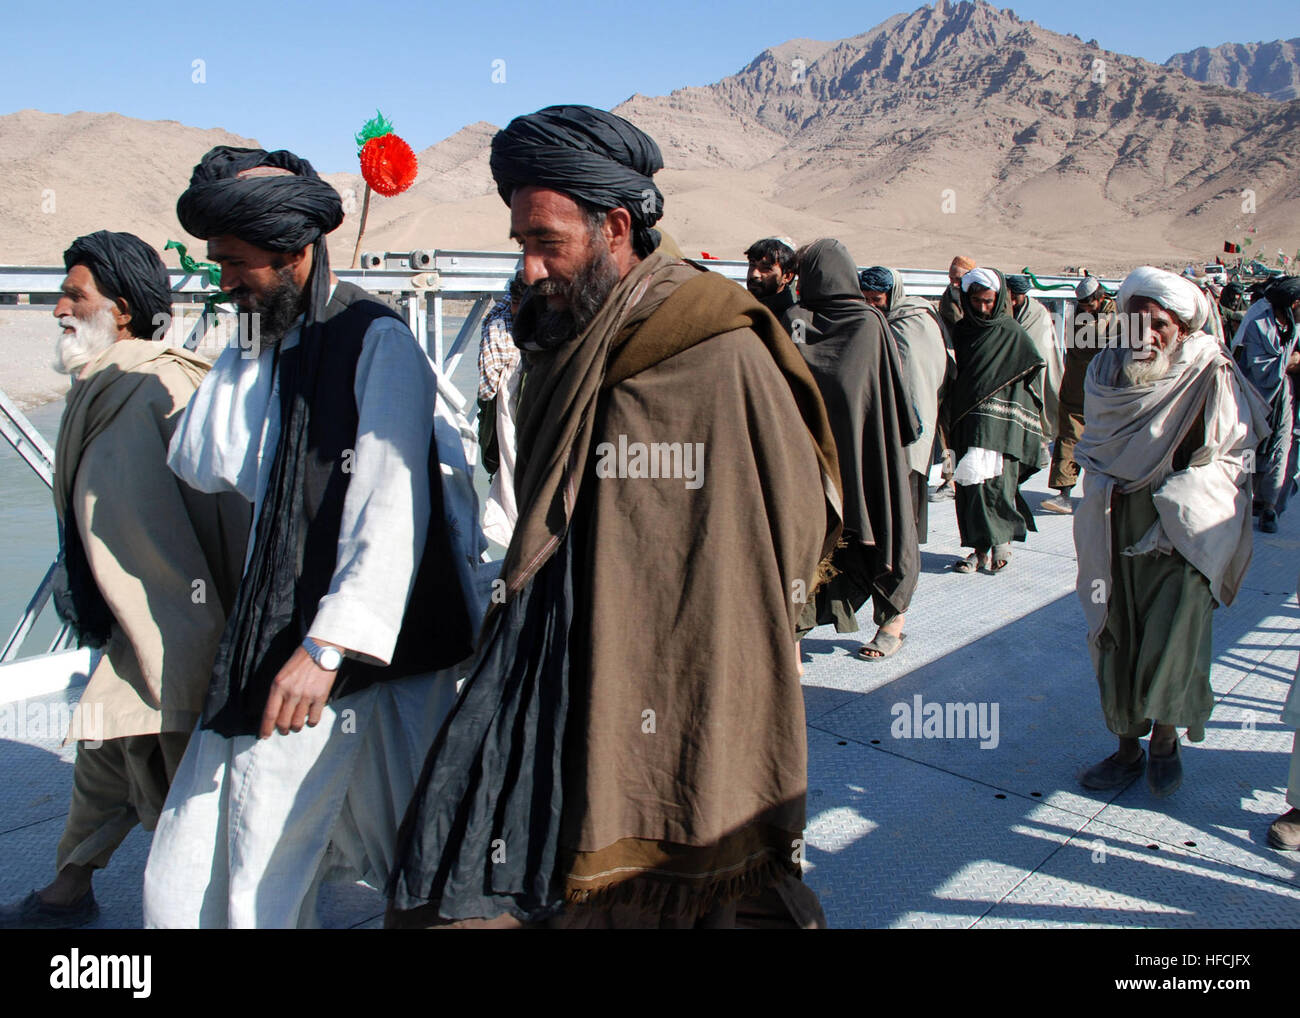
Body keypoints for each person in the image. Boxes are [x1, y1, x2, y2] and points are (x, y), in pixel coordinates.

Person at [386, 105, 841, 929]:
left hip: (680, 660)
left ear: (617, 226)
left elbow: (793, 519)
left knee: (674, 866)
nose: (527, 269)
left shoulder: (716, 347)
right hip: (553, 639)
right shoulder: (564, 334)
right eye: (519, 244)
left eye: (544, 243)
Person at [142, 146, 482, 928]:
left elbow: (391, 507)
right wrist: (251, 342)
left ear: (297, 251)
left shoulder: (376, 339)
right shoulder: (275, 339)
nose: (224, 282)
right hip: (280, 628)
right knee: (207, 868)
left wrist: (328, 648)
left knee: (414, 853)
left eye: (236, 264)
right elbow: (205, 460)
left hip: (360, 658)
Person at [0, 232, 249, 930]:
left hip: (171, 626)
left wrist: (172, 634)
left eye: (74, 296)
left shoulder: (147, 390)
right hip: (141, 625)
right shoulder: (114, 383)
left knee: (177, 776)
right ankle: (67, 891)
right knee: (107, 752)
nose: (58, 310)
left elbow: (160, 544)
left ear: (125, 310)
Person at [1074, 267, 1269, 797]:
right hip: (1116, 524)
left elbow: (1231, 454)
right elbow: (1095, 442)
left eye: (1158, 324)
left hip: (1182, 531)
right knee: (1117, 631)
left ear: (1181, 327)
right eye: (1135, 322)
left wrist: (1180, 499)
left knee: (1173, 638)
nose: (1146, 336)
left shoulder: (1209, 372)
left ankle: (1164, 737)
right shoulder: (1105, 373)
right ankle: (1126, 748)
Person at [789, 248, 918, 662]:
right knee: (807, 543)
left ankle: (892, 622)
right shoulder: (793, 321)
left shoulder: (867, 322)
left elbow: (883, 388)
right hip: (809, 455)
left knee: (882, 528)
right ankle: (792, 636)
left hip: (866, 452)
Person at [948, 268, 1044, 574]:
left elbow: (1029, 378)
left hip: (1001, 423)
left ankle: (1002, 542)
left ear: (999, 298)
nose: (982, 308)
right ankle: (978, 548)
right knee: (970, 485)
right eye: (975, 301)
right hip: (968, 418)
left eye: (988, 301)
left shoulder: (1011, 333)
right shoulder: (962, 332)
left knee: (998, 483)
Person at [859, 265, 953, 543]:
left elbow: (922, 373)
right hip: (881, 419)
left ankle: (905, 551)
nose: (871, 306)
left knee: (907, 489)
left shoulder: (915, 320)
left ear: (892, 293)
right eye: (865, 299)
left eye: (876, 300)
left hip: (913, 419)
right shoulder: (875, 322)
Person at [1042, 275, 1117, 515]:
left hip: (1107, 392)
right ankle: (1064, 493)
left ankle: (1107, 493)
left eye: (1090, 304)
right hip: (1077, 387)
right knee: (1069, 437)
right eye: (1082, 305)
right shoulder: (1080, 319)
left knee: (1108, 442)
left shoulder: (1119, 315)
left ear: (1101, 297)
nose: (1086, 308)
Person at [1230, 276, 1300, 532]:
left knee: (1281, 448)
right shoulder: (1258, 325)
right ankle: (1243, 499)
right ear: (1295, 304)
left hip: (1283, 398)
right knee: (1247, 449)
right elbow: (1263, 371)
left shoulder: (1294, 326)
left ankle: (1269, 506)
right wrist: (1290, 360)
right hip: (1252, 397)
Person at [478, 270, 526, 546]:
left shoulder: (501, 319)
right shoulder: (499, 323)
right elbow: (488, 387)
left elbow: (486, 389)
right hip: (512, 399)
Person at [1006, 273, 1063, 451]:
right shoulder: (1004, 310)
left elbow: (1038, 346)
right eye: (1010, 297)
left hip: (1035, 370)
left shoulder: (1037, 313)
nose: (1013, 301)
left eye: (1017, 297)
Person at [745, 236, 800, 334]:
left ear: (787, 276)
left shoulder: (796, 320)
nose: (754, 274)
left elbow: (797, 348)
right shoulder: (741, 310)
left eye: (766, 268)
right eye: (752, 265)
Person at [939, 255, 976, 328]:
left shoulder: (979, 298)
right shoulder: (947, 299)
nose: (954, 284)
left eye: (958, 279)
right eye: (951, 278)